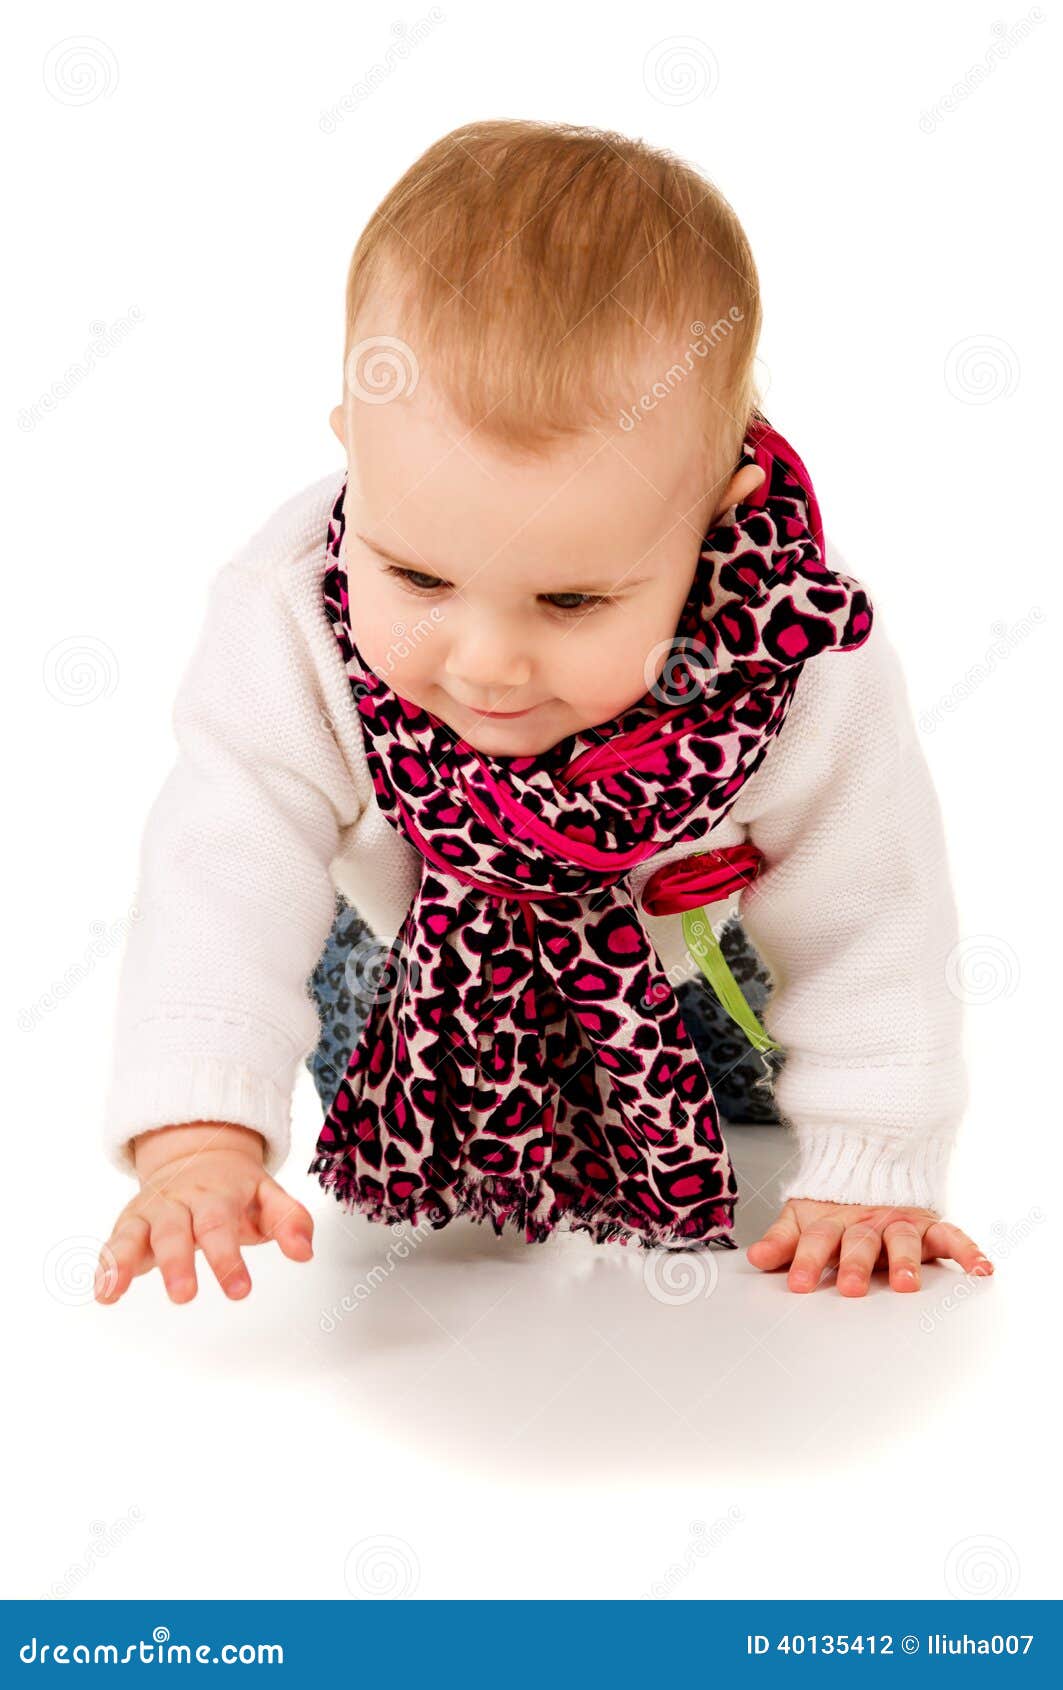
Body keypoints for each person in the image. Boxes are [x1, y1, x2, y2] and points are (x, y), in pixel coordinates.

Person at [94, 119, 993, 1304]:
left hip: (697, 964)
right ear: (353, 450)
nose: (487, 663)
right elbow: (225, 866)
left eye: (571, 598)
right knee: (327, 967)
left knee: (756, 1079)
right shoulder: (288, 616)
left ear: (709, 526)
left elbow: (870, 903)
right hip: (402, 962)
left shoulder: (792, 655)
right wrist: (200, 1132)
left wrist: (875, 1160)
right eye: (416, 578)